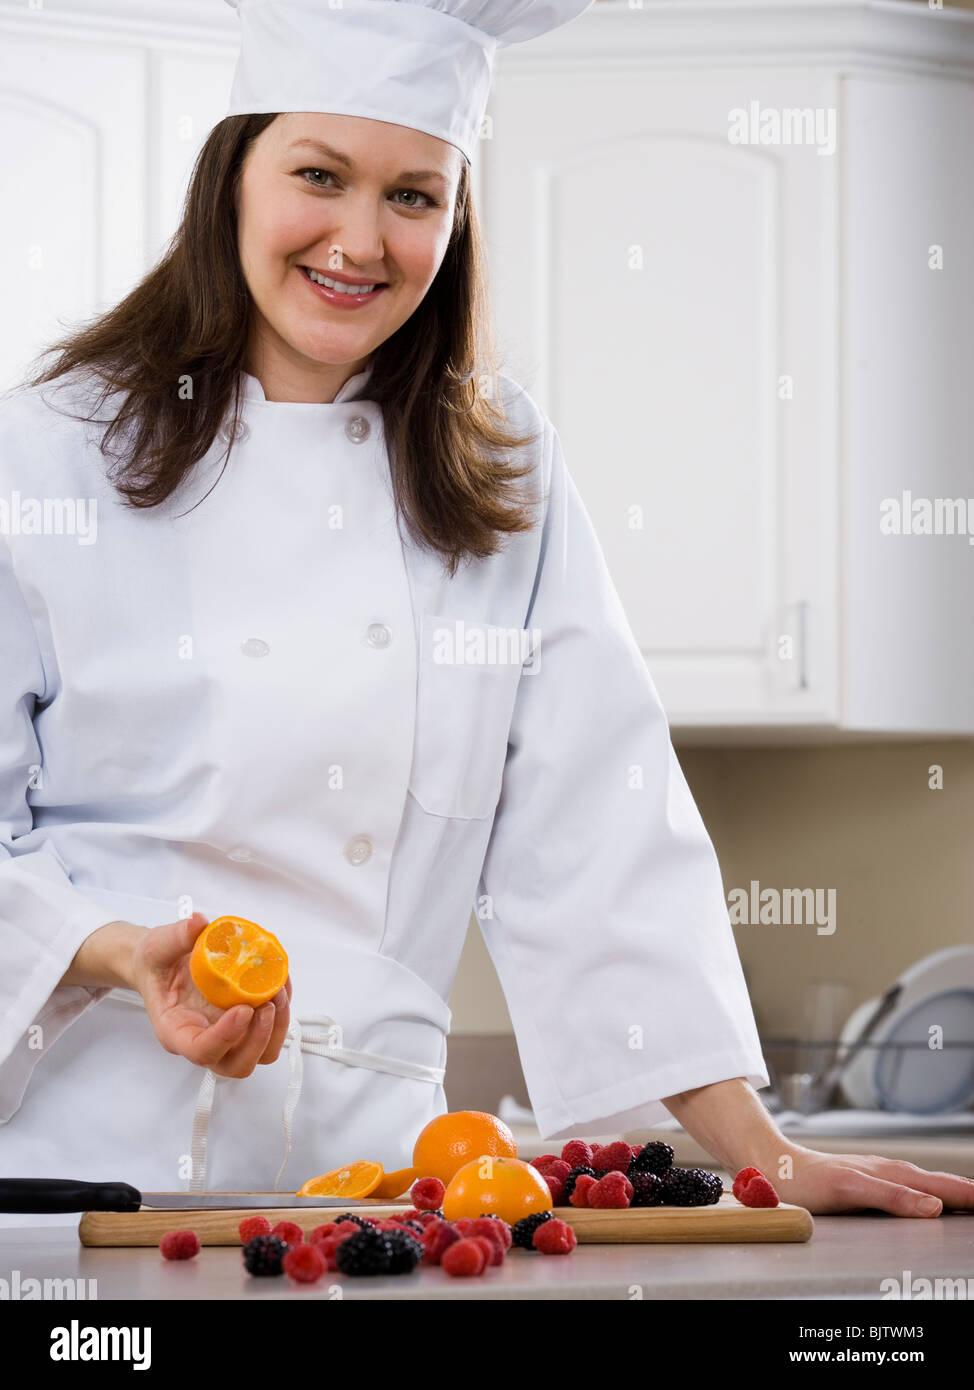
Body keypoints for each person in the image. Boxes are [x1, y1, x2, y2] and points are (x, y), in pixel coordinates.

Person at [0, 0, 971, 1228]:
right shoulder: (50, 453)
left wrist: (759, 1148)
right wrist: (112, 949)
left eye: (415, 194)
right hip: (88, 1181)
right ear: (231, 176)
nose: (360, 240)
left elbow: (593, 827)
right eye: (319, 175)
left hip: (379, 1193)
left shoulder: (497, 458)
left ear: (457, 218)